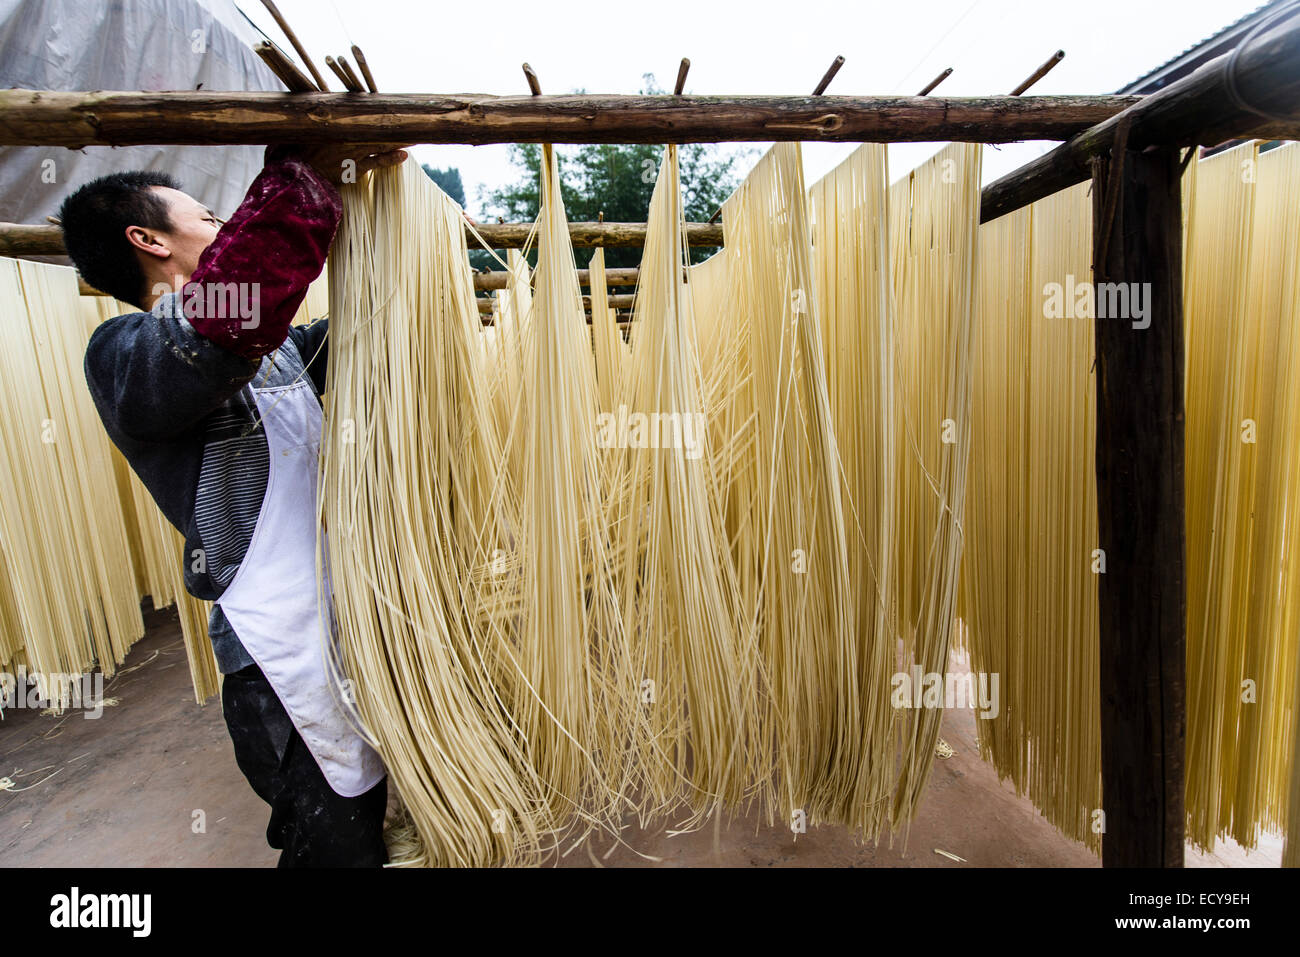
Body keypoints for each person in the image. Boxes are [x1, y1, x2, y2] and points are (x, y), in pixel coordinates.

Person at [59, 142, 408, 867]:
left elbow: (355, 339)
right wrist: (303, 178)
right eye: (211, 215)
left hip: (346, 628)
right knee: (332, 846)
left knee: (364, 820)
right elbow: (229, 314)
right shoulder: (125, 353)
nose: (226, 225)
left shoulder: (278, 354)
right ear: (148, 240)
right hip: (274, 660)